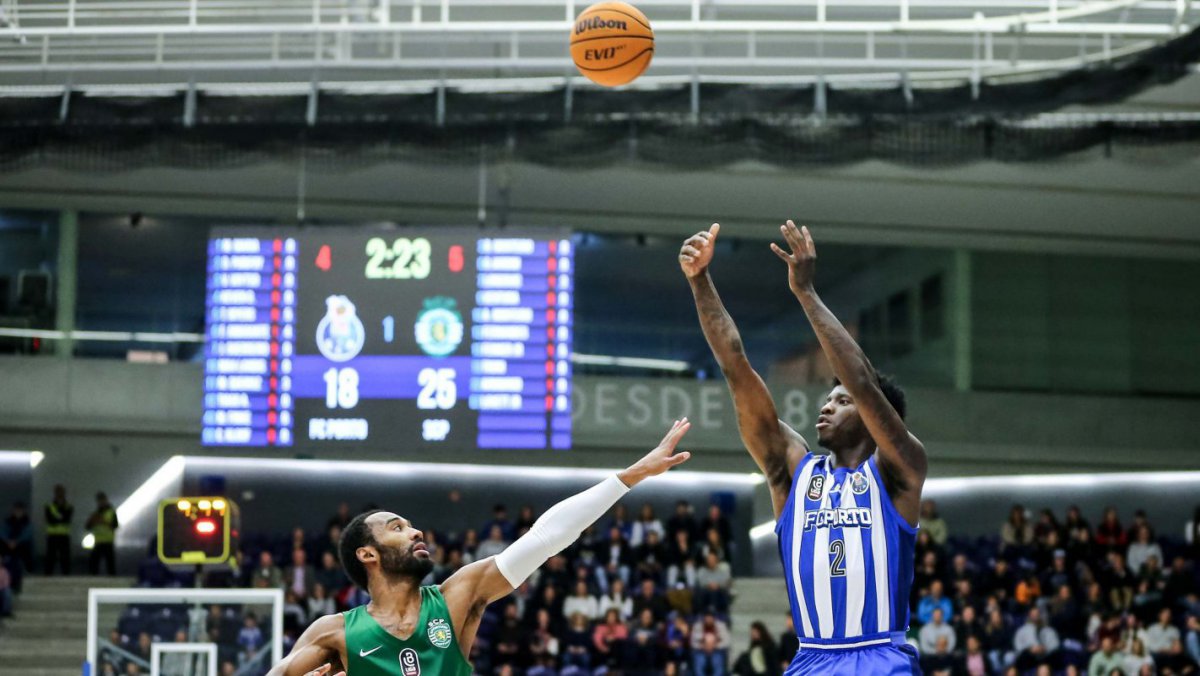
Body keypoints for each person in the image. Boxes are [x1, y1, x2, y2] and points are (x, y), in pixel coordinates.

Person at [683, 221, 927, 674]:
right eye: (827, 398)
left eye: (841, 401)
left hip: (879, 657)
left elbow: (862, 380)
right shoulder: (794, 470)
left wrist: (806, 292)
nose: (826, 406)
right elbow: (736, 367)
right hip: (810, 659)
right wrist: (700, 281)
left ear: (876, 420)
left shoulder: (900, 469)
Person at [267, 420, 694, 675]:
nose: (416, 533)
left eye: (413, 526)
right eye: (398, 528)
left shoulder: (458, 595)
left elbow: (545, 539)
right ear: (368, 554)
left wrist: (632, 475)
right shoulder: (334, 632)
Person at [86, 492, 119, 575]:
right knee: (94, 562)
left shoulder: (111, 512)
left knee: (110, 563)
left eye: (102, 500)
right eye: (99, 500)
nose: (101, 502)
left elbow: (115, 525)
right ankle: (93, 579)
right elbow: (87, 526)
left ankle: (112, 581)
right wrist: (93, 521)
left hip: (108, 541)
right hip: (98, 541)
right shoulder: (95, 514)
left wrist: (104, 522)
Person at [44, 484, 73, 575]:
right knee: (50, 557)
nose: (60, 494)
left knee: (65, 557)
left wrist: (57, 518)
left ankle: (66, 575)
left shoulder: (69, 506)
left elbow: (67, 520)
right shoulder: (49, 506)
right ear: (55, 493)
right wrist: (61, 517)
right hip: (52, 535)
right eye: (58, 492)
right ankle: (48, 576)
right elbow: (50, 520)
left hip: (64, 535)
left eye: (61, 492)